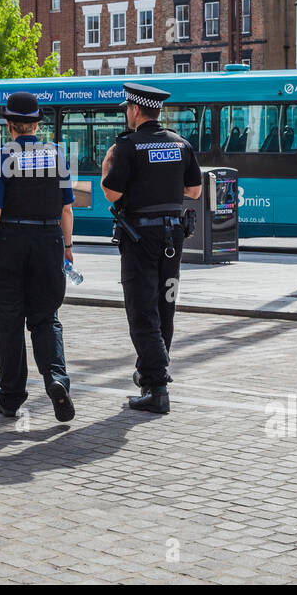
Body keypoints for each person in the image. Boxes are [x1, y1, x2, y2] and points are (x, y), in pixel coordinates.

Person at [0, 91, 75, 423]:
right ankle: (56, 379)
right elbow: (66, 208)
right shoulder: (57, 154)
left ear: (8, 123)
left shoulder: (2, 156)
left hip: (10, 244)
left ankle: (11, 398)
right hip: (48, 242)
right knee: (46, 318)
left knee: (9, 322)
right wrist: (68, 248)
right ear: (36, 123)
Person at [101, 83, 202, 414]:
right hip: (173, 236)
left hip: (139, 238)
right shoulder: (180, 144)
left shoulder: (128, 147)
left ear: (134, 110)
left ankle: (157, 384)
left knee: (142, 309)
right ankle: (149, 377)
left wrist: (107, 167)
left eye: (126, 109)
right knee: (164, 305)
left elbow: (112, 193)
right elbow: (195, 191)